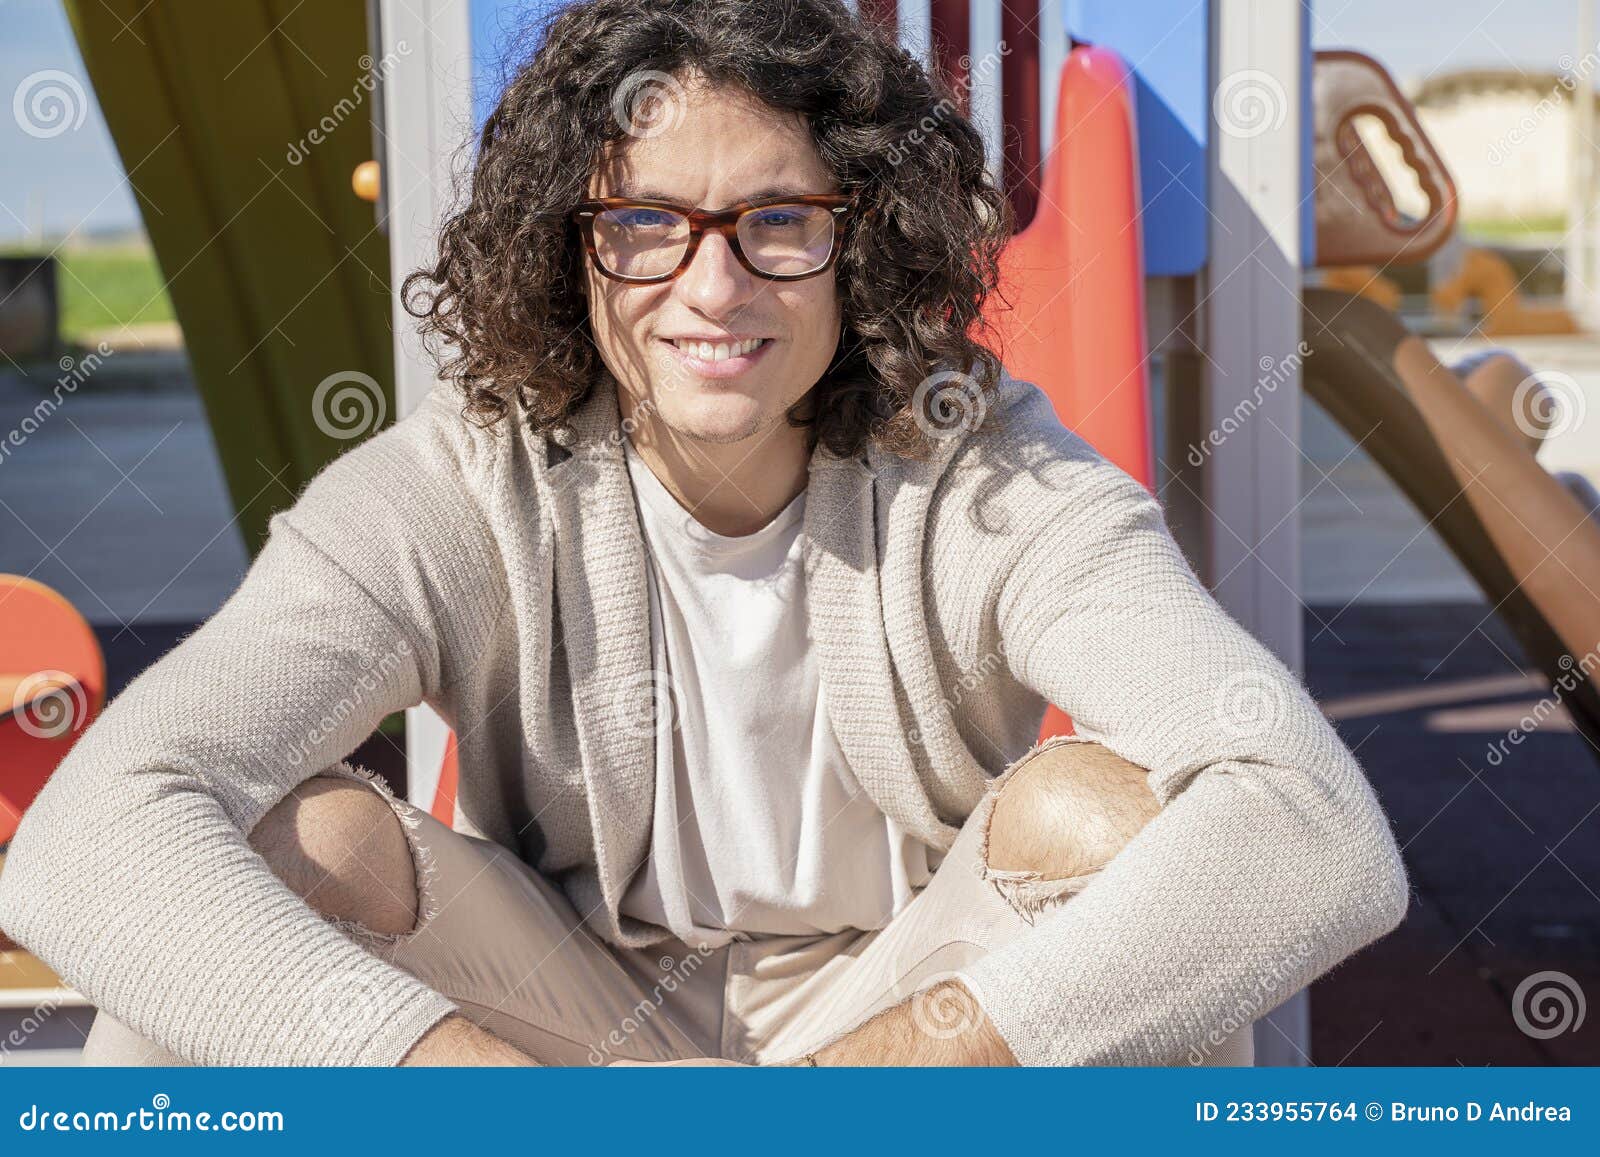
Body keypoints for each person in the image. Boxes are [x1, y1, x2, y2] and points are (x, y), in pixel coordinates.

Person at [0, 0, 1408, 1068]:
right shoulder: (467, 478)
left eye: (777, 222)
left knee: (1114, 823)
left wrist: (850, 1094)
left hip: (900, 999)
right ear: (571, 242)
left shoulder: (983, 468)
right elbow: (88, 836)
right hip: (568, 1018)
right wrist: (478, 1097)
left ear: (856, 243)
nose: (712, 285)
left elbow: (1316, 828)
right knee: (286, 840)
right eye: (647, 224)